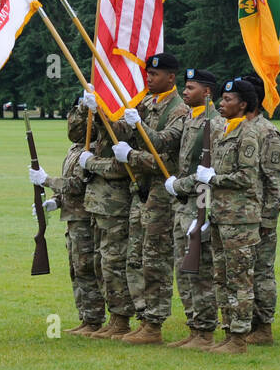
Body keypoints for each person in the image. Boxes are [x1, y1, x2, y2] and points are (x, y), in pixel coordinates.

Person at [171, 78, 263, 353]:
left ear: (243, 104)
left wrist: (214, 178)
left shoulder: (247, 134)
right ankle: (227, 333)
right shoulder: (222, 131)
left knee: (239, 280)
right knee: (221, 279)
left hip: (241, 220)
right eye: (222, 99)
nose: (222, 104)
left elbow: (247, 178)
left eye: (228, 100)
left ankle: (239, 338)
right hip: (222, 216)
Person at [112, 52, 186, 345]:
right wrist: (104, 113)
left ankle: (154, 324)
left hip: (162, 197)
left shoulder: (179, 110)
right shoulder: (145, 103)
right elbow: (120, 133)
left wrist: (132, 153)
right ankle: (142, 317)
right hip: (140, 193)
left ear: (171, 77)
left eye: (155, 75)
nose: (149, 79)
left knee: (155, 258)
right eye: (147, 75)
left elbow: (166, 151)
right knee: (136, 257)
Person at [29, 97, 104, 335]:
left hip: (85, 217)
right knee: (75, 268)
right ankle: (84, 317)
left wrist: (47, 180)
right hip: (72, 216)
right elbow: (68, 190)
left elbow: (78, 184)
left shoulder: (92, 150)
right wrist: (54, 202)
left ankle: (94, 320)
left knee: (86, 268)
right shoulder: (75, 148)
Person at [161, 68, 222, 349]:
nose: (185, 92)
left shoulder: (214, 122)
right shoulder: (189, 117)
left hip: (199, 201)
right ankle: (194, 328)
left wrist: (179, 185)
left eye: (191, 88)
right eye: (185, 87)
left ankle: (206, 332)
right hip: (183, 203)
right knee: (183, 269)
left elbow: (207, 170)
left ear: (207, 92)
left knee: (199, 269)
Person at [80, 90, 136, 339]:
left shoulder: (125, 122)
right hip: (99, 205)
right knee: (101, 263)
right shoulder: (104, 131)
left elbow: (120, 168)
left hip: (116, 206)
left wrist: (91, 163)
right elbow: (75, 133)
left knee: (114, 263)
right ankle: (111, 317)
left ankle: (121, 319)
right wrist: (86, 109)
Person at [236, 75, 280, 346]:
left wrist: (268, 217)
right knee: (243, 270)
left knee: (262, 271)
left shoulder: (266, 132)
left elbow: (275, 181)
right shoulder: (239, 129)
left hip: (259, 216)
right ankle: (245, 322)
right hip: (239, 214)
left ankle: (263, 326)